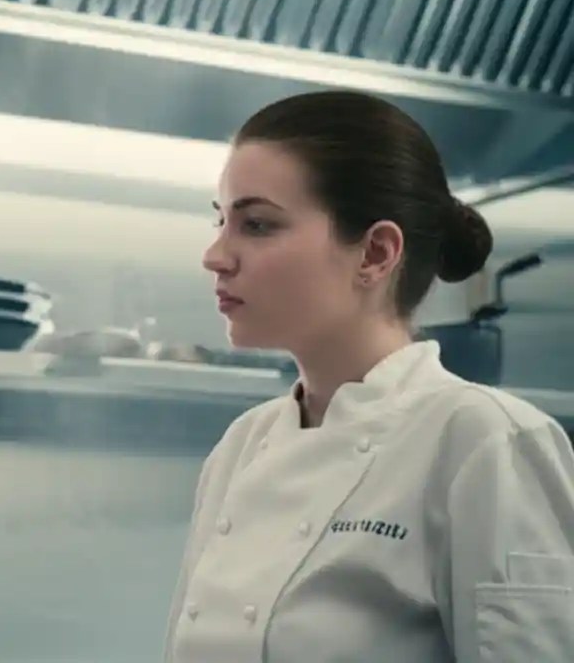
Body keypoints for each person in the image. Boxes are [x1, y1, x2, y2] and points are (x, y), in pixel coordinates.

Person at [166, 90, 574, 662]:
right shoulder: (242, 445)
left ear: (376, 254)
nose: (216, 254)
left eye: (256, 224)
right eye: (221, 221)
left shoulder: (483, 440)